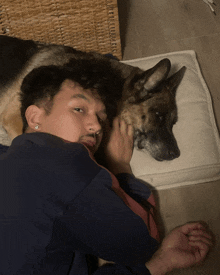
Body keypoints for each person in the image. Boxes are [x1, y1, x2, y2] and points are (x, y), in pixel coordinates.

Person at [0, 59, 213, 275]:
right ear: (35, 117)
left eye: (101, 117)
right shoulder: (67, 167)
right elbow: (141, 246)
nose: (96, 127)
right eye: (79, 109)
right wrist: (120, 167)